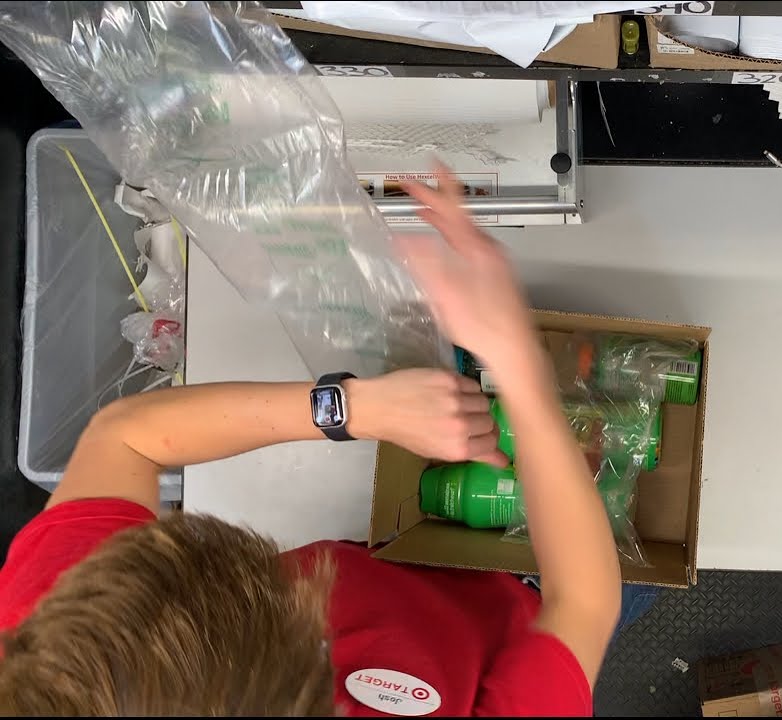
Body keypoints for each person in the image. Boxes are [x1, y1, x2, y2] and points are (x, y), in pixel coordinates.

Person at [0, 171, 623, 716]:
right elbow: (585, 601)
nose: (307, 591)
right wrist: (517, 361)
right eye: (309, 630)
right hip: (521, 616)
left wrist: (350, 407)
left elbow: (123, 439)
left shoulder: (65, 647)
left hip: (392, 564)